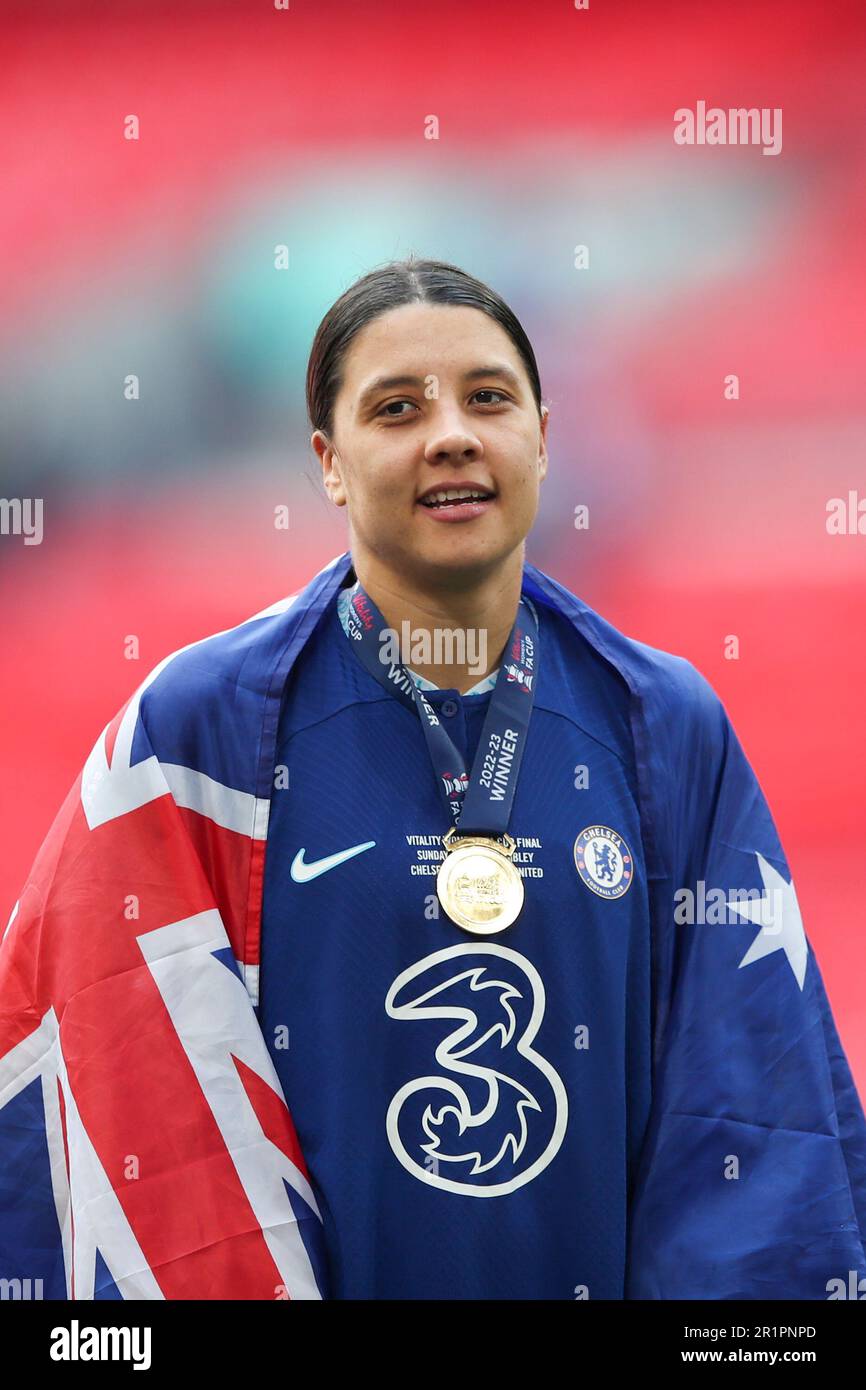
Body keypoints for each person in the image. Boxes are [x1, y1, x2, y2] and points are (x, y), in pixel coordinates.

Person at [1, 257, 864, 1302]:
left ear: (543, 436)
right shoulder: (197, 734)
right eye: (396, 407)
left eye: (487, 397)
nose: (449, 432)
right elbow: (112, 1083)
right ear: (327, 460)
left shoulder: (661, 727)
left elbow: (746, 1130)